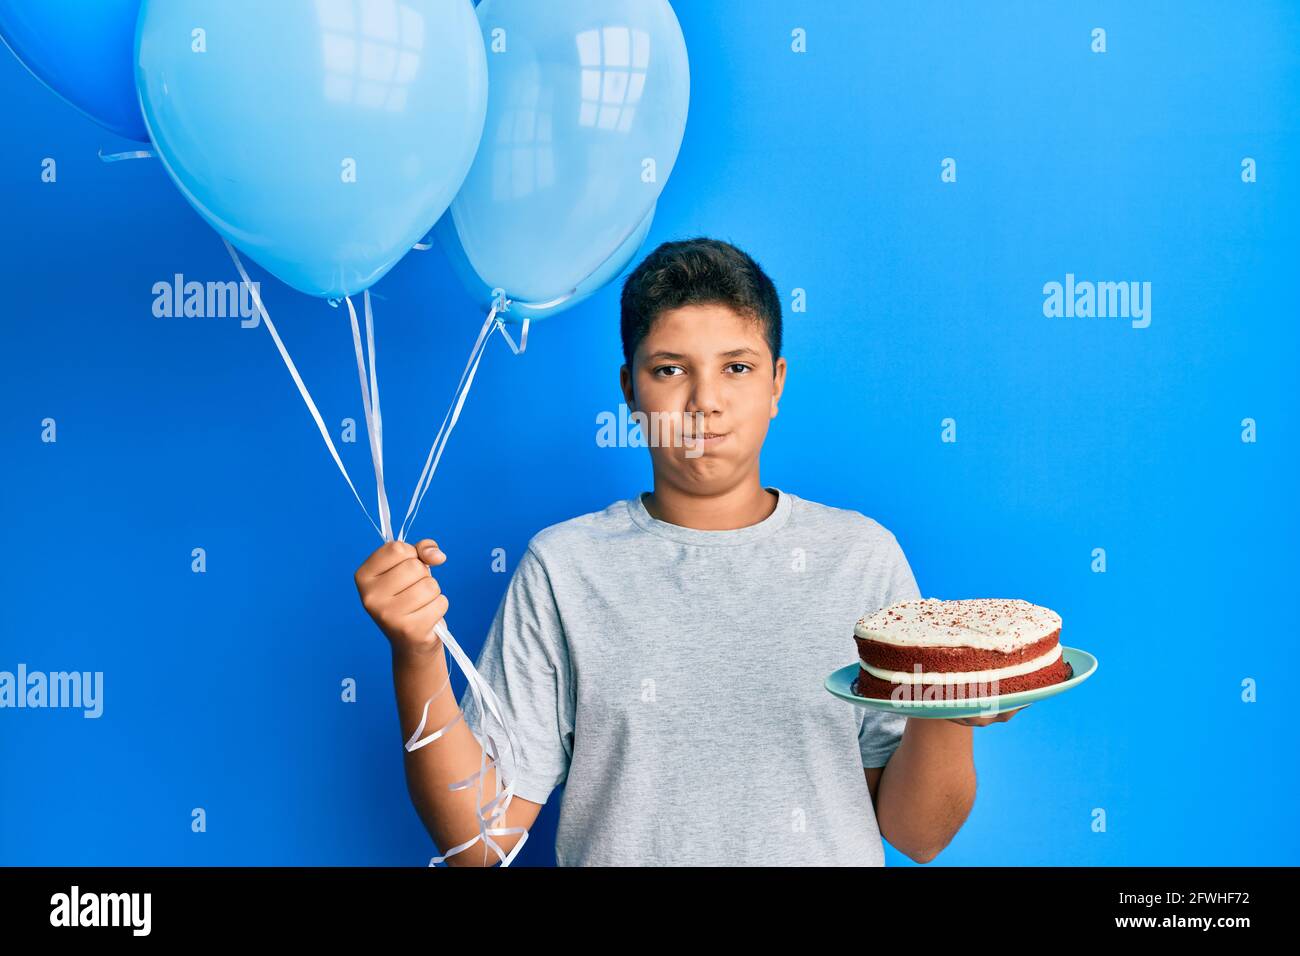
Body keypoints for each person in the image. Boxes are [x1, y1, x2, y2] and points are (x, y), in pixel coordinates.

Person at [354, 237, 1021, 867]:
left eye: (737, 368)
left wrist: (949, 710)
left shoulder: (861, 559)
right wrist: (416, 655)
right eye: (670, 370)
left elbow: (920, 834)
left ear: (776, 383)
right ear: (630, 390)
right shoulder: (564, 568)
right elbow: (480, 842)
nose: (705, 402)